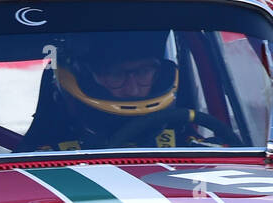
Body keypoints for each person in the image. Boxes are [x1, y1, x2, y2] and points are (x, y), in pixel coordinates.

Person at [19, 31, 206, 152]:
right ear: (83, 79)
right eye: (115, 75)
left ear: (162, 74)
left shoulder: (197, 149)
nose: (133, 90)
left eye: (144, 72)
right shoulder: (46, 162)